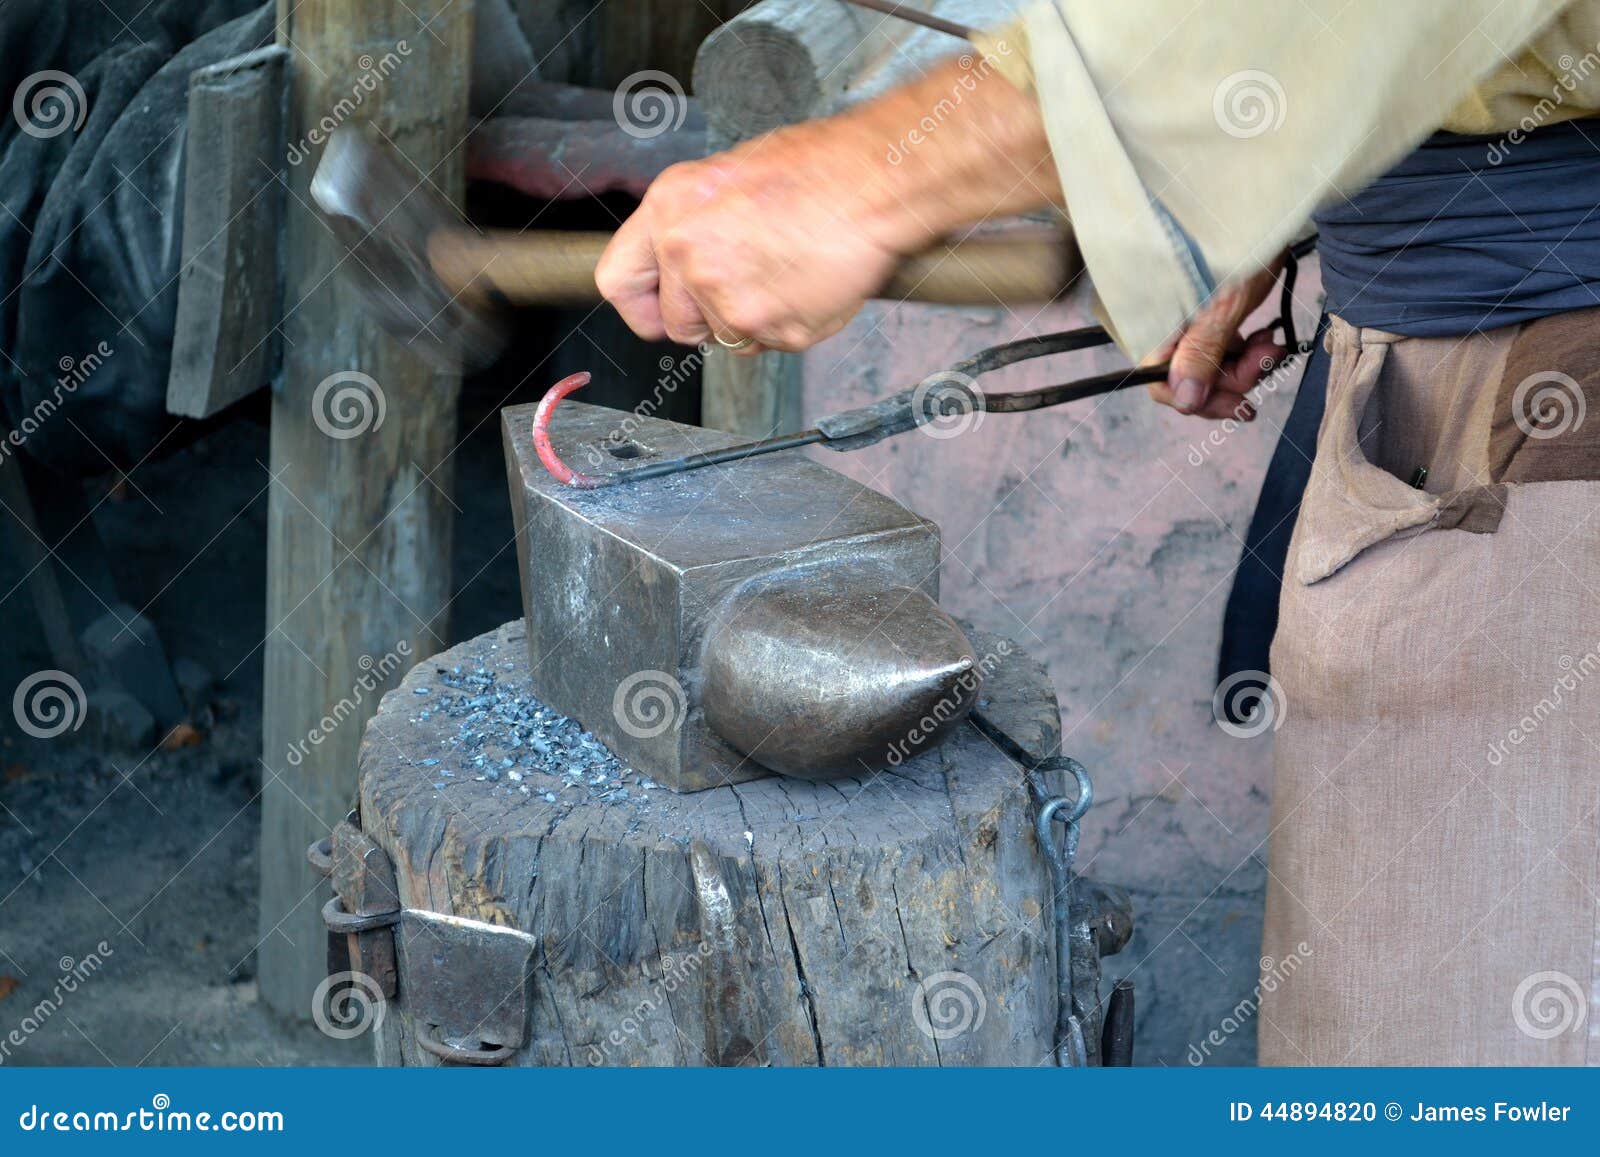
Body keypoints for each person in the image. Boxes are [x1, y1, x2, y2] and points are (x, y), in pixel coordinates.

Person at [599, 2, 1600, 1065]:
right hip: (1449, 331)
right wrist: (1263, 191)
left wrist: (851, 183)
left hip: (1543, 404)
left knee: (1457, 1051)